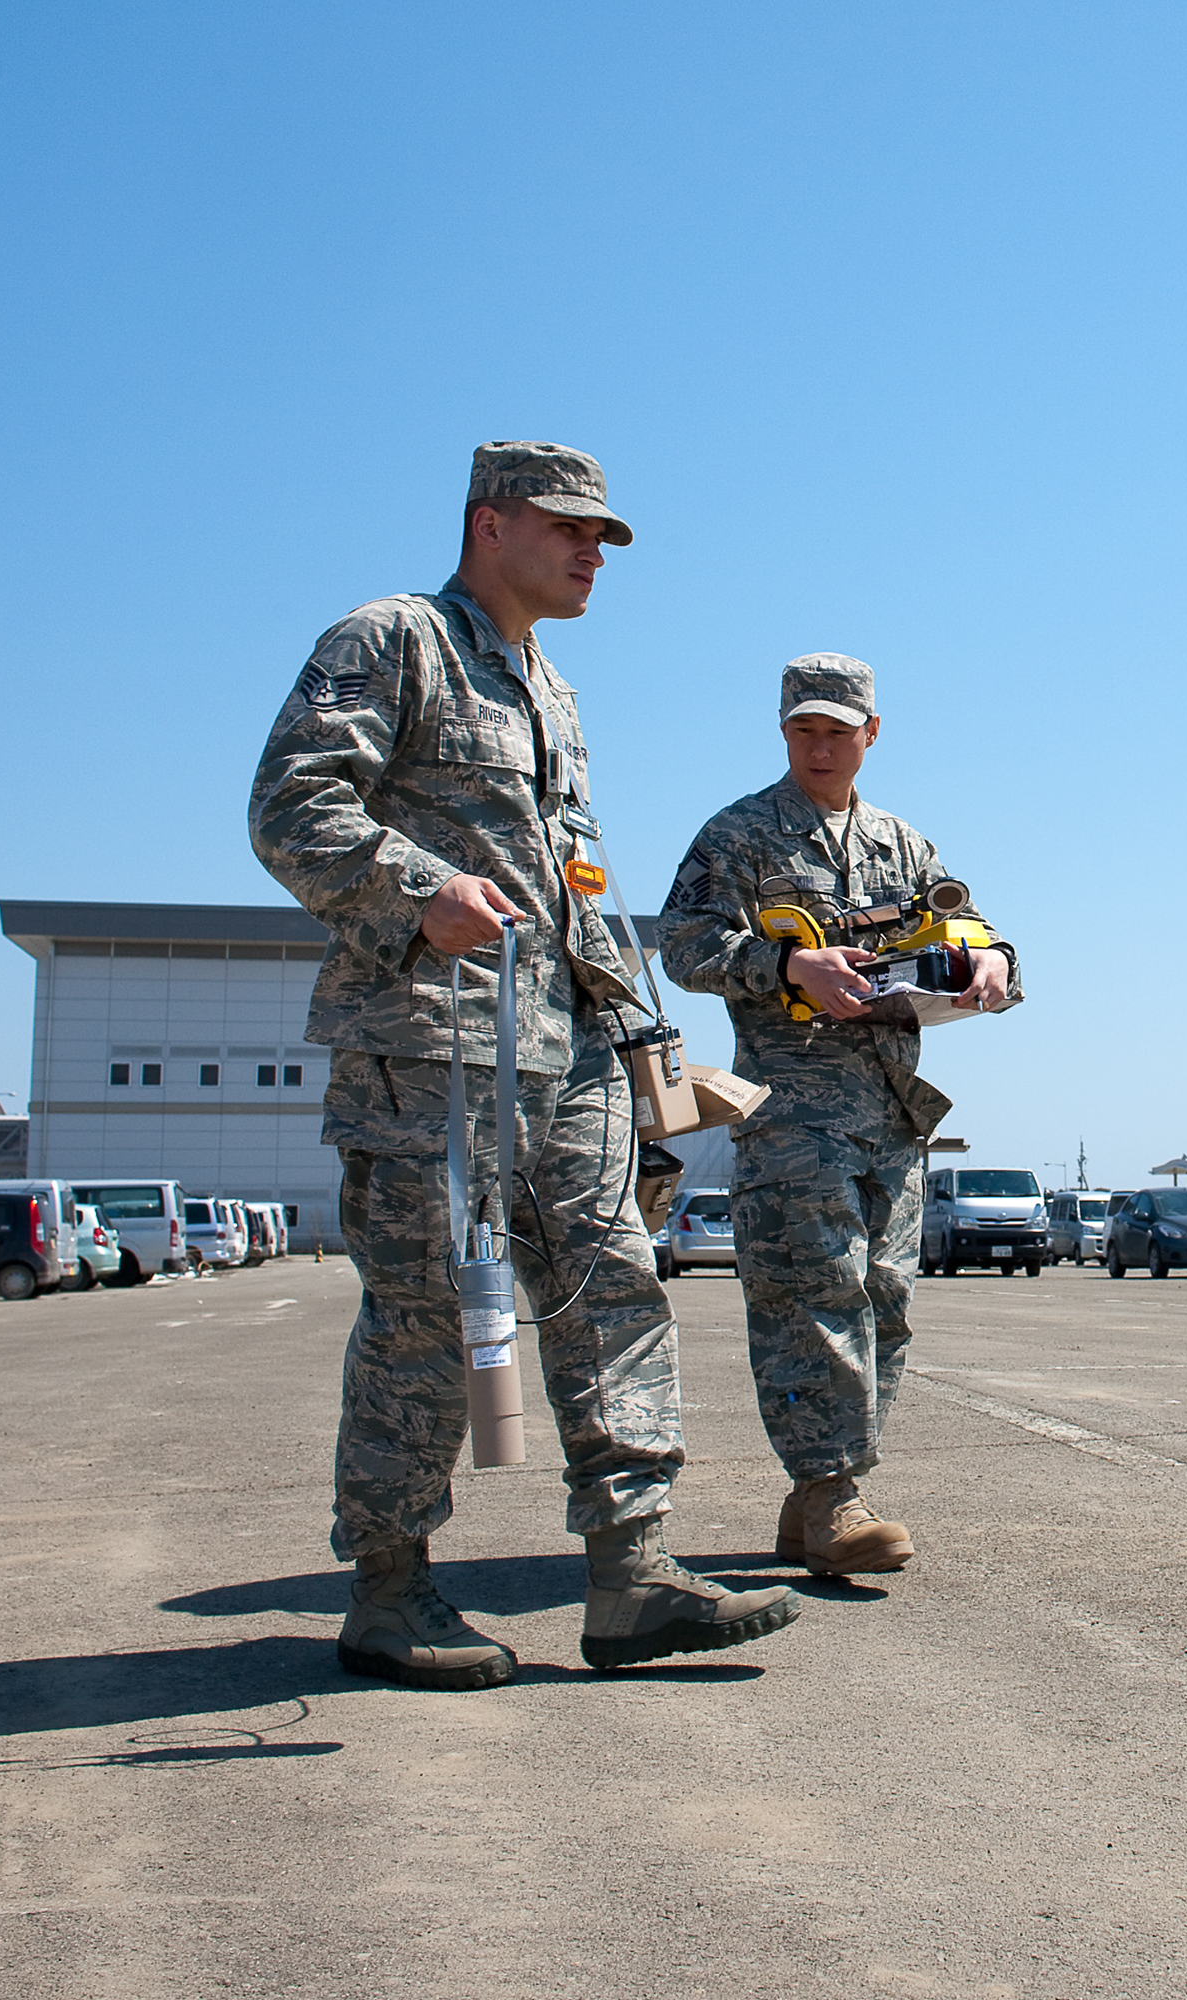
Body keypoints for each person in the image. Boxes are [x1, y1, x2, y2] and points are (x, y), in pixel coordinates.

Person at [249, 440, 801, 1687]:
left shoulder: (549, 689)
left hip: (571, 1049)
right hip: (429, 1046)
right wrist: (419, 887)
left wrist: (644, 1031)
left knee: (616, 1288)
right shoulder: (392, 641)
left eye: (607, 537)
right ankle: (390, 1590)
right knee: (432, 1317)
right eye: (571, 528)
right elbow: (292, 806)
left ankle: (634, 1575)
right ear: (490, 524)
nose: (593, 553)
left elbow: (574, 883)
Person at [658, 654, 1017, 1577]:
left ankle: (820, 1492)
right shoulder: (738, 835)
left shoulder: (904, 845)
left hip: (892, 1112)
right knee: (811, 1297)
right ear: (783, 733)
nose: (820, 746)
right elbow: (685, 945)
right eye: (803, 730)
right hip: (792, 1110)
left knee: (886, 1303)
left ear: (871, 733)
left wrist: (991, 965)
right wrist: (786, 967)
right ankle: (832, 1490)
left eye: (837, 730)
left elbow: (969, 927)